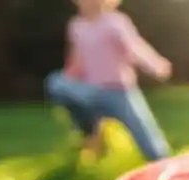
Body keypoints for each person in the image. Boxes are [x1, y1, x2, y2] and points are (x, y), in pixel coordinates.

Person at [45, 0, 174, 161]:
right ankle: (91, 132)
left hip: (120, 92)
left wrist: (155, 64)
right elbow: (76, 60)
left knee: (149, 141)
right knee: (55, 83)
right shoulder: (77, 26)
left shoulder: (115, 22)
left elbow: (134, 47)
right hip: (91, 93)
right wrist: (70, 79)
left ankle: (162, 163)